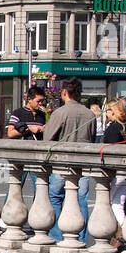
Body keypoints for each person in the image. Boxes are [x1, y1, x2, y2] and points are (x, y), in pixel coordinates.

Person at [45, 78, 95, 243]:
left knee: (55, 197)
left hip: (61, 164)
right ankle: (80, 238)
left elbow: (48, 140)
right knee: (81, 200)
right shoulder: (89, 114)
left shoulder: (60, 113)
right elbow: (93, 139)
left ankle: (58, 236)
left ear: (64, 92)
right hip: (83, 165)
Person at [103, 99, 126, 246]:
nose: (106, 114)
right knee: (120, 203)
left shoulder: (113, 128)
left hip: (118, 172)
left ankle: (124, 231)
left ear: (113, 111)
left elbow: (109, 151)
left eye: (108, 111)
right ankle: (125, 232)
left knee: (113, 203)